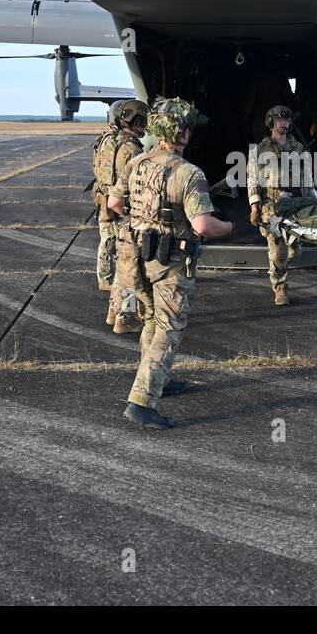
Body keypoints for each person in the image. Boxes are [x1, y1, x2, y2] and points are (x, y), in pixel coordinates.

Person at [108, 97, 233, 429]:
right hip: (171, 262)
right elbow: (203, 225)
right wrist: (229, 227)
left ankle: (157, 379)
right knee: (169, 327)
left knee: (152, 319)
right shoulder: (188, 172)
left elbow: (114, 201)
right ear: (183, 132)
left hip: (135, 257)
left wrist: (143, 221)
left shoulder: (137, 162)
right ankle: (141, 401)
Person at [247, 104, 316, 306]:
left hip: (295, 204)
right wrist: (255, 206)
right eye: (279, 120)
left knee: (296, 250)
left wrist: (313, 206)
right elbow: (253, 179)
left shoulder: (299, 149)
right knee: (279, 249)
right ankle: (280, 286)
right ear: (271, 122)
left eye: (286, 120)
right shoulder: (260, 150)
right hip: (272, 205)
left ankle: (280, 266)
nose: (283, 123)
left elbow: (307, 181)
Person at [92, 99, 149, 332]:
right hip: (124, 212)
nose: (145, 125)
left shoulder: (106, 141)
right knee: (130, 266)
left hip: (105, 205)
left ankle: (114, 311)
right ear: (132, 121)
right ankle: (125, 316)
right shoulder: (132, 149)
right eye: (142, 121)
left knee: (118, 258)